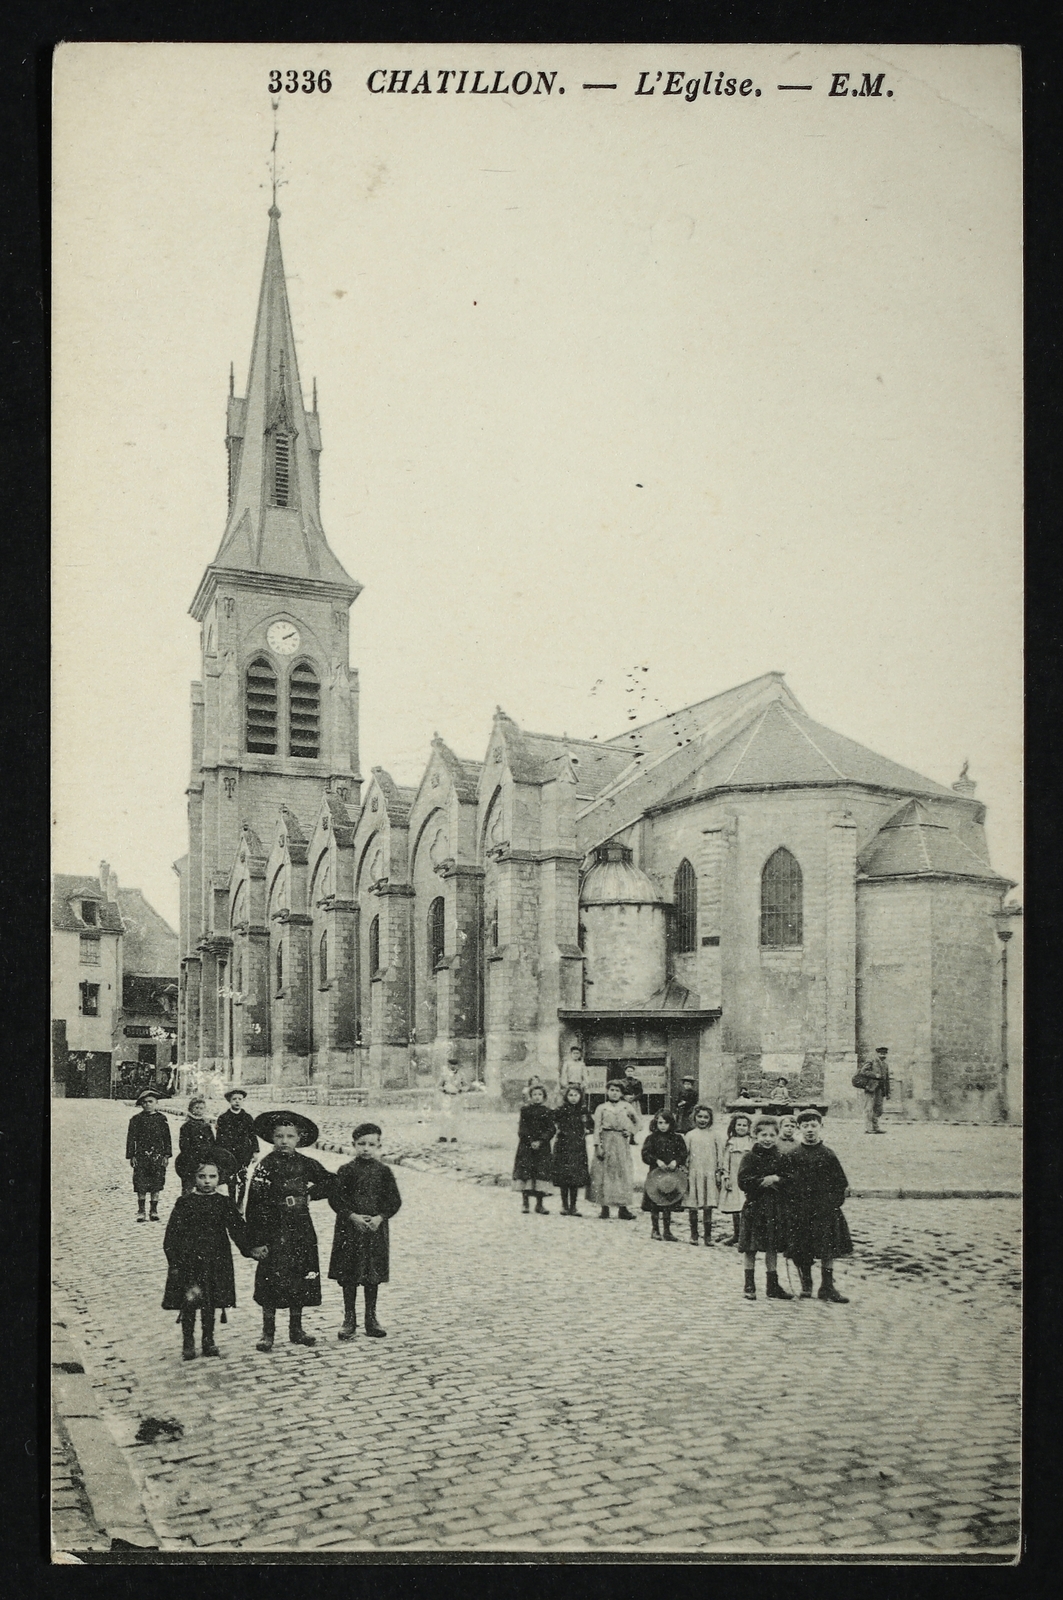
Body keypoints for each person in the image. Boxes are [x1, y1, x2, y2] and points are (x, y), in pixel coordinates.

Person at [245, 1111, 333, 1351]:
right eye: (279, 1136)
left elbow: (330, 1181)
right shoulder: (266, 1166)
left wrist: (311, 1194)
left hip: (300, 1228)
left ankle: (297, 1329)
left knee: (300, 1277)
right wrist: (256, 1241)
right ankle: (268, 1332)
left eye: (290, 1136)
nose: (284, 1141)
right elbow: (253, 1204)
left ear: (299, 1138)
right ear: (272, 1138)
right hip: (273, 1230)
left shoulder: (305, 1163)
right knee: (271, 1279)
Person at [161, 1151, 251, 1359]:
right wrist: (175, 1262)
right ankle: (188, 1341)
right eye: (202, 1177)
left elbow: (237, 1229)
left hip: (216, 1259)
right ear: (194, 1178)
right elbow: (171, 1236)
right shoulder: (184, 1203)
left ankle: (208, 1340)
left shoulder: (224, 1203)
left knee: (210, 1300)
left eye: (212, 1177)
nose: (207, 1181)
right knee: (190, 1301)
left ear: (220, 1178)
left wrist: (251, 1249)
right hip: (189, 1260)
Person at [328, 1122, 402, 1340]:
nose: (366, 1149)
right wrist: (352, 1216)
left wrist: (380, 1217)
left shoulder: (384, 1171)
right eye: (361, 1144)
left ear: (379, 1145)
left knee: (372, 1274)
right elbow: (336, 1199)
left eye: (371, 1144)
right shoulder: (346, 1171)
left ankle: (371, 1318)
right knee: (349, 1275)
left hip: (374, 1230)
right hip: (349, 1230)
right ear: (353, 1144)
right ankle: (349, 1319)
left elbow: (394, 1201)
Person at [784, 1108, 853, 1303]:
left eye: (813, 1126)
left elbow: (841, 1183)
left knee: (827, 1248)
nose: (810, 1130)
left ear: (821, 1127)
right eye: (805, 1126)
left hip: (825, 1210)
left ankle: (827, 1287)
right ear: (799, 1129)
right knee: (802, 1247)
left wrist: (832, 1204)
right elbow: (786, 1184)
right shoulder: (793, 1155)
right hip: (801, 1211)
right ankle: (807, 1285)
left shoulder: (828, 1154)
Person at [737, 1116, 793, 1301]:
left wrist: (777, 1179)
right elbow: (743, 1182)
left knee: (772, 1246)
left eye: (771, 1135)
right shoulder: (749, 1157)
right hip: (755, 1207)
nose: (767, 1139)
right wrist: (762, 1182)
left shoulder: (781, 1157)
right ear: (755, 1135)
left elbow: (790, 1180)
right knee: (750, 1247)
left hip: (774, 1208)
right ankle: (749, 1284)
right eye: (763, 1135)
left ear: (777, 1136)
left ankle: (772, 1285)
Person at [589, 1079, 639, 1220]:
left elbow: (638, 1122)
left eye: (617, 1091)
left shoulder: (626, 1106)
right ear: (607, 1091)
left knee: (622, 1173)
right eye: (612, 1090)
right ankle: (604, 1208)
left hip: (621, 1143)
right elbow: (596, 1128)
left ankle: (623, 1208)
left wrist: (630, 1131)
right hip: (606, 1141)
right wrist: (597, 1146)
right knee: (604, 1173)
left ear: (622, 1093)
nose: (614, 1093)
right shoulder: (601, 1107)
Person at [640, 1110, 688, 1242]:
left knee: (668, 1202)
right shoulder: (651, 1138)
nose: (663, 1126)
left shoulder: (677, 1138)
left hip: (671, 1176)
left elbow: (683, 1153)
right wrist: (656, 1161)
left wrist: (676, 1161)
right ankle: (655, 1229)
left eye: (666, 1123)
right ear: (655, 1123)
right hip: (656, 1174)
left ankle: (667, 1230)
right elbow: (645, 1154)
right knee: (655, 1202)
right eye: (660, 1122)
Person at [125, 1089, 172, 1222]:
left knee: (156, 1182)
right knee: (141, 1183)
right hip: (141, 1156)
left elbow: (166, 1138)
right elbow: (131, 1139)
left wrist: (166, 1155)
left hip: (157, 1155)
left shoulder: (162, 1119)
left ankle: (154, 1210)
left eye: (150, 1102)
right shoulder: (136, 1119)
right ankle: (141, 1210)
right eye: (144, 1102)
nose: (147, 1104)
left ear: (156, 1103)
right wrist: (131, 1155)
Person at [512, 1084, 557, 1214]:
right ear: (530, 1097)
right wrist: (531, 1141)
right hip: (527, 1147)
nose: (537, 1097)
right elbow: (522, 1128)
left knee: (540, 1174)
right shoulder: (525, 1110)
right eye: (534, 1095)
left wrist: (541, 1140)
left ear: (544, 1097)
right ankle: (525, 1203)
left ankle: (539, 1204)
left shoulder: (548, 1111)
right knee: (526, 1173)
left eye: (540, 1095)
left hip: (542, 1149)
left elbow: (551, 1129)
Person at [684, 1104, 725, 1245]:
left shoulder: (715, 1135)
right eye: (700, 1116)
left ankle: (708, 1236)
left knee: (708, 1206)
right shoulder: (690, 1135)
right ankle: (694, 1235)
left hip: (710, 1173)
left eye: (706, 1117)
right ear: (694, 1117)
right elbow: (686, 1155)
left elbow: (720, 1154)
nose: (702, 1120)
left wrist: (719, 1170)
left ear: (710, 1119)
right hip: (695, 1173)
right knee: (693, 1205)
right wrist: (686, 1171)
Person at [214, 1087, 260, 1209]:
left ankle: (240, 1205)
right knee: (231, 1180)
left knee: (243, 1179)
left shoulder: (247, 1117)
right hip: (229, 1153)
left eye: (240, 1099)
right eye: (234, 1099)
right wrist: (220, 1153)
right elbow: (219, 1138)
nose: (237, 1101)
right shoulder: (224, 1118)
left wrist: (255, 1151)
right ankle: (231, 1204)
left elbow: (252, 1135)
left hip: (244, 1153)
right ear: (230, 1101)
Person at [552, 1084, 592, 1216]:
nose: (573, 1098)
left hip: (577, 1147)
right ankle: (564, 1205)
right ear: (566, 1097)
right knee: (564, 1176)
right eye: (570, 1095)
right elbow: (552, 1121)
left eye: (576, 1095)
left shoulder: (583, 1110)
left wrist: (587, 1130)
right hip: (563, 1146)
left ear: (580, 1096)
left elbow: (592, 1125)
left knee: (575, 1177)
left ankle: (573, 1206)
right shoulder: (561, 1110)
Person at [718, 1112, 753, 1246]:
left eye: (744, 1125)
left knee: (747, 1207)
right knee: (735, 1209)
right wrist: (726, 1177)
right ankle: (736, 1234)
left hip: (747, 1178)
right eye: (739, 1125)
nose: (741, 1127)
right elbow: (725, 1161)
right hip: (734, 1177)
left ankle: (747, 1236)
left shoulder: (751, 1142)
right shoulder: (731, 1143)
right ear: (734, 1126)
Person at [175, 1097, 217, 1195]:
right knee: (188, 1187)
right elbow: (184, 1146)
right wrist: (193, 1159)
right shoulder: (186, 1126)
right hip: (190, 1162)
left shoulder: (206, 1126)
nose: (199, 1111)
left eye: (201, 1108)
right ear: (191, 1109)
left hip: (205, 1160)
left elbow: (212, 1143)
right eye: (196, 1108)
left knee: (204, 1186)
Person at [855, 1047, 891, 1134]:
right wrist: (875, 1075)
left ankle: (875, 1127)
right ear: (877, 1054)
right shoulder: (871, 1061)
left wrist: (888, 1092)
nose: (883, 1055)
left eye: (884, 1054)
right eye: (881, 1053)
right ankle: (868, 1128)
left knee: (878, 1109)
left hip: (880, 1089)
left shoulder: (885, 1065)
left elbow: (887, 1079)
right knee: (869, 1108)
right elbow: (863, 1071)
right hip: (871, 1088)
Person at [438, 1056, 467, 1142]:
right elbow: (439, 1085)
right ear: (448, 1065)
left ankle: (454, 1137)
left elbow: (467, 1085)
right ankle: (443, 1136)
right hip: (447, 1097)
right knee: (445, 1116)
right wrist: (443, 1090)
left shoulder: (461, 1075)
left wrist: (461, 1089)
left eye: (455, 1064)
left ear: (458, 1065)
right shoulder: (444, 1075)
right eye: (451, 1065)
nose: (453, 1066)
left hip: (456, 1097)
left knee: (455, 1117)